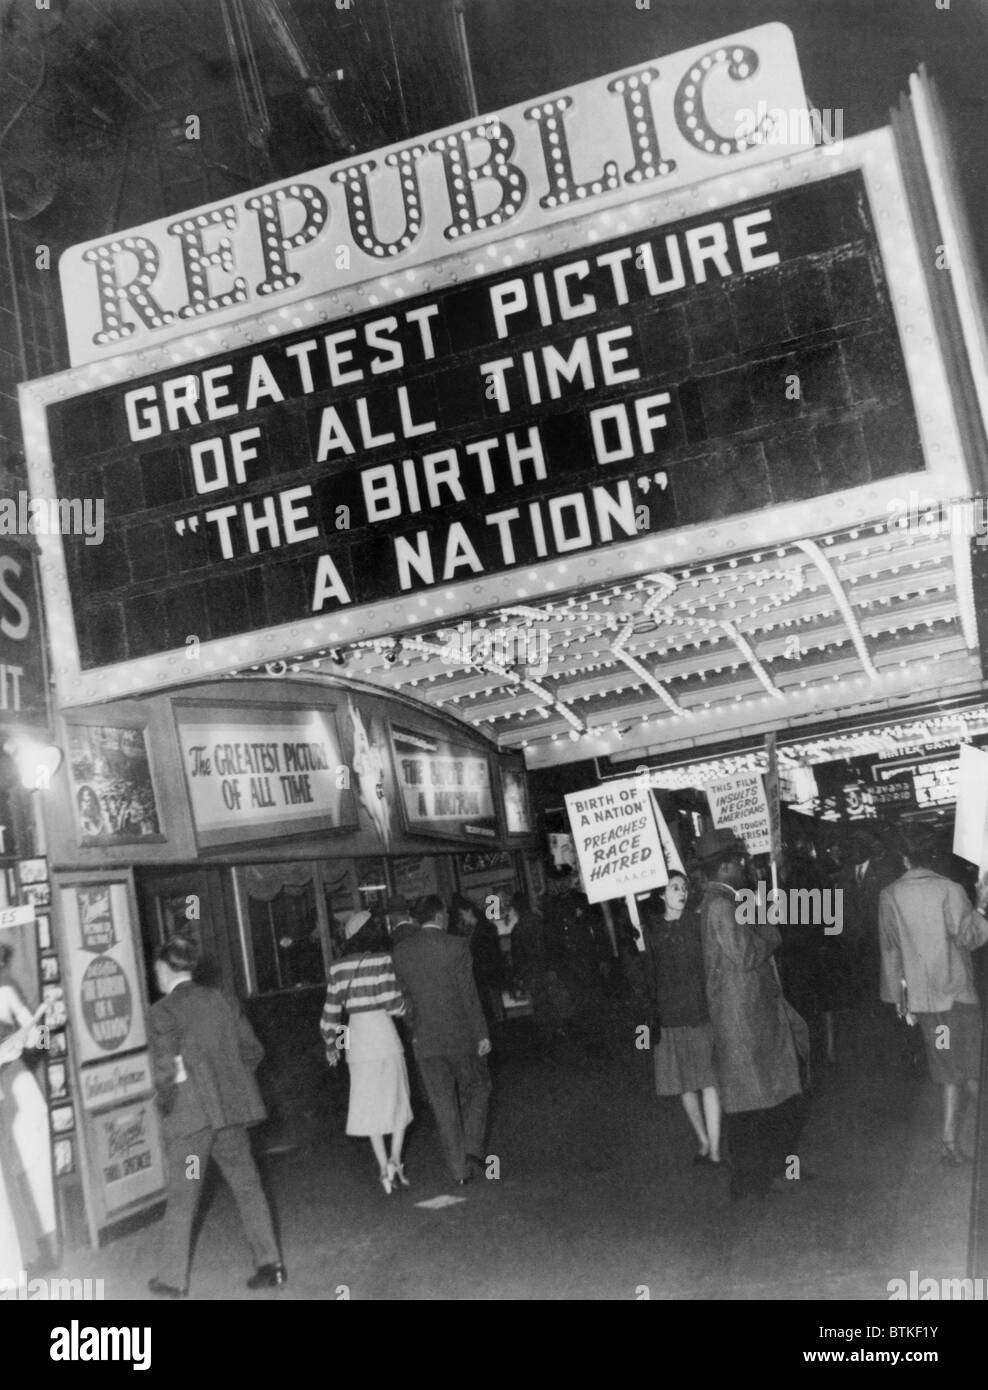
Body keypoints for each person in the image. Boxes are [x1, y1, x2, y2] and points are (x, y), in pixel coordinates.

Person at [148, 936, 285, 1297]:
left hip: (193, 1121)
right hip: (229, 1115)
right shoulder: (222, 999)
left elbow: (165, 1072)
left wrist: (166, 1104)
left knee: (184, 1195)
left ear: (164, 969)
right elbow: (253, 1050)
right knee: (247, 1185)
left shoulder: (163, 1011)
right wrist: (232, 1083)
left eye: (157, 970)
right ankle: (271, 1265)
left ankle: (172, 1281)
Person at [698, 829, 808, 1200]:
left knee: (765, 1101)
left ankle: (764, 1173)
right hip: (743, 1021)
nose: (746, 866)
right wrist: (770, 928)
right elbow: (746, 954)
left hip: (753, 1016)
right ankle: (749, 1181)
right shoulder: (719, 905)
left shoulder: (728, 900)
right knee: (752, 1106)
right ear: (726, 866)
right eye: (740, 861)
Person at [878, 827, 988, 1164]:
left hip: (927, 1007)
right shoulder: (950, 890)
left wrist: (899, 998)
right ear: (933, 858)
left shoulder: (890, 895)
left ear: (905, 858)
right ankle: (951, 1141)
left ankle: (949, 1142)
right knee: (971, 1068)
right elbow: (969, 938)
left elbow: (890, 950)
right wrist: (982, 908)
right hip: (958, 999)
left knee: (947, 1068)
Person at [391, 895, 491, 1185]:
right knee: (479, 1086)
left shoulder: (401, 952)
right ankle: (473, 1148)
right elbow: (468, 995)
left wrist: (415, 1029)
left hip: (425, 1041)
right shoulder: (456, 946)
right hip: (461, 1036)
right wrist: (482, 1033)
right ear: (439, 916)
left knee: (443, 1105)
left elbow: (404, 1000)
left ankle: (459, 1173)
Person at [320, 910, 412, 1193]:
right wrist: (408, 1006)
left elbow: (331, 1016)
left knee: (368, 1105)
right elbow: (392, 1004)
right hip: (384, 1036)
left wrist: (333, 1045)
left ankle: (383, 1166)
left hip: (356, 1039)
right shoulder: (382, 960)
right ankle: (397, 1160)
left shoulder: (337, 968)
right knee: (398, 1099)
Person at [641, 872, 721, 1165]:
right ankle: (702, 1140)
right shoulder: (651, 930)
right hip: (670, 1016)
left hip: (699, 1012)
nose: (682, 892)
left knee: (709, 1081)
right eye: (674, 887)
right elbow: (648, 974)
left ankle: (715, 1149)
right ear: (661, 894)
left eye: (684, 887)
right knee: (685, 1084)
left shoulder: (696, 924)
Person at [0, 942, 56, 1271]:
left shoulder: (5, 986)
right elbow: (40, 1038)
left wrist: (44, 1029)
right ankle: (34, 1254)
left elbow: (39, 1038)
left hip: (12, 1085)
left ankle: (30, 1257)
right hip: (16, 1084)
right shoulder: (6, 985)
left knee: (18, 1176)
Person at [450, 895, 506, 1032]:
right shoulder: (482, 929)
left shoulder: (481, 931)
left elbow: (487, 958)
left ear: (469, 911)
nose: (461, 919)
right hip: (486, 982)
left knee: (492, 1020)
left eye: (461, 914)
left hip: (486, 982)